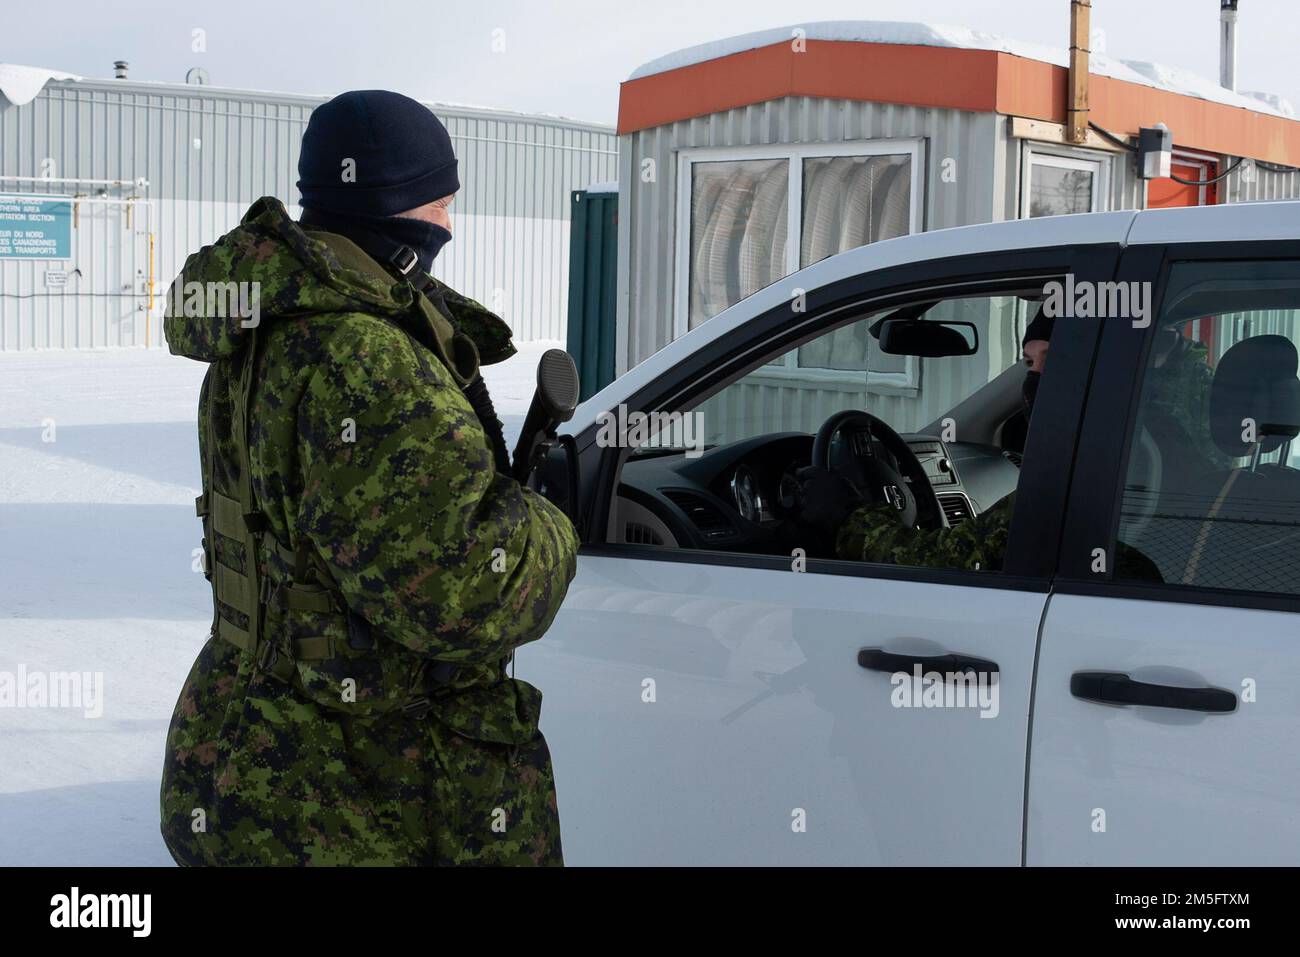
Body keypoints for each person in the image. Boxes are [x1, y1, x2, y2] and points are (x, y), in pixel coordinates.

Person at [159, 90, 578, 866]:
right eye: (439, 203)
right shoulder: (367, 361)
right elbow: (468, 592)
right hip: (366, 794)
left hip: (253, 745)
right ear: (392, 205)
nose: (448, 225)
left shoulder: (265, 324)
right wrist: (548, 525)